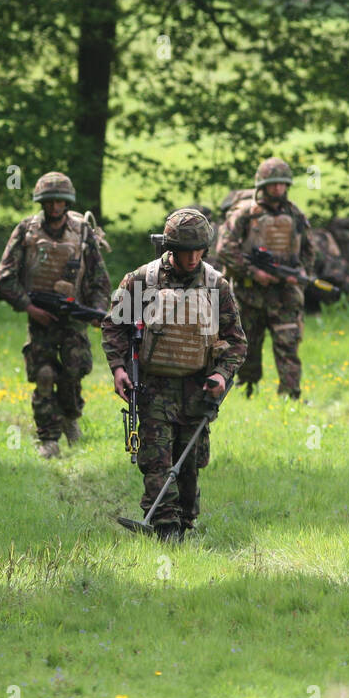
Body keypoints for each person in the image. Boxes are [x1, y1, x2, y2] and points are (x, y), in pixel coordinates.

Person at [103, 209, 247, 540]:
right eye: (186, 251)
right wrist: (118, 368)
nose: (193, 257)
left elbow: (236, 341)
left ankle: (184, 522)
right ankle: (165, 526)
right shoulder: (143, 280)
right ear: (171, 247)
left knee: (190, 462)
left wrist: (223, 375)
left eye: (199, 250)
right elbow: (114, 325)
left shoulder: (216, 284)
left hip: (198, 386)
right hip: (154, 386)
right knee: (156, 459)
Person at [0, 171, 111, 459]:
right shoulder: (26, 231)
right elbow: (5, 278)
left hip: (74, 319)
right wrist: (30, 308)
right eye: (49, 202)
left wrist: (97, 311)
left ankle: (70, 416)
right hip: (40, 320)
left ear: (67, 203)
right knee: (45, 374)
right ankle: (48, 437)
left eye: (60, 202)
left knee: (73, 372)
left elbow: (99, 280)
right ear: (42, 203)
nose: (55, 207)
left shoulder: (83, 231)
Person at [214, 157, 315, 399]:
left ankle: (291, 396)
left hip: (284, 294)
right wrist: (253, 272)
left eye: (282, 184)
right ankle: (247, 389)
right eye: (273, 184)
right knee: (247, 346)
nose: (278, 189)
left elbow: (308, 250)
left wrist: (300, 274)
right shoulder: (244, 214)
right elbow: (224, 249)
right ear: (262, 185)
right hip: (249, 293)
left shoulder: (294, 214)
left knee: (288, 344)